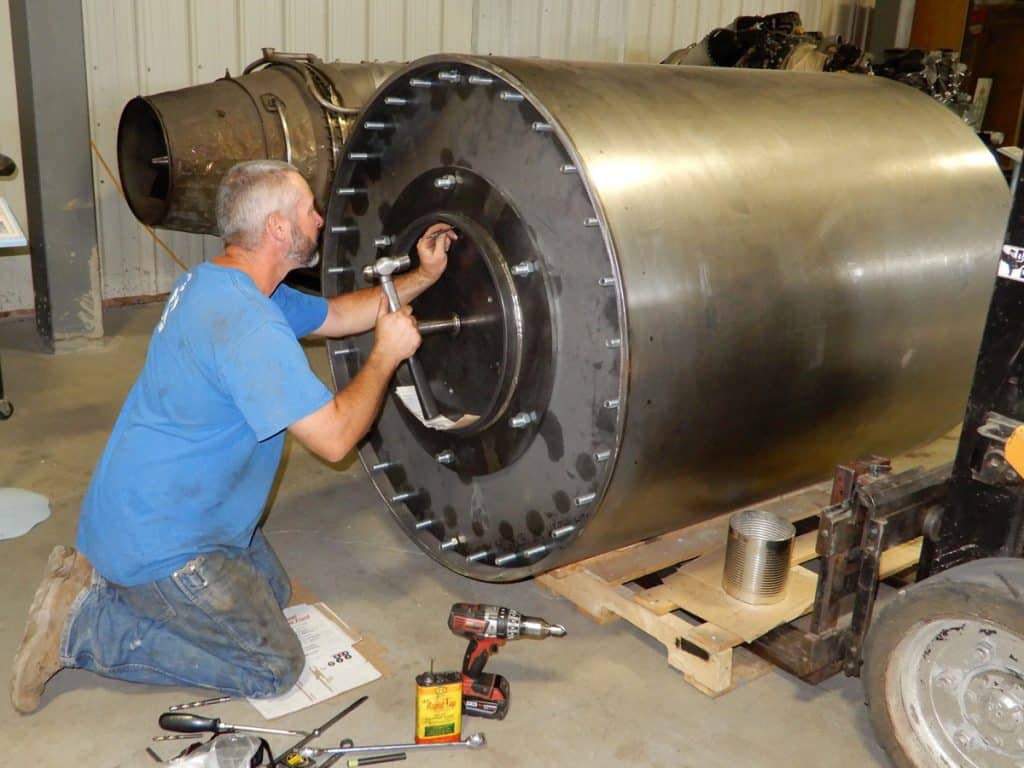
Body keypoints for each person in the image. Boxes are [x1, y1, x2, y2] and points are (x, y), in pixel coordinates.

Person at [10, 159, 456, 714]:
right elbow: (337, 438)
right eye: (308, 211)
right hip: (166, 542)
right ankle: (87, 627)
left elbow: (341, 314)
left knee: (274, 592)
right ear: (276, 228)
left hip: (166, 509)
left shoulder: (226, 284)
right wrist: (386, 354)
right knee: (273, 666)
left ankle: (125, 587)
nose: (320, 219)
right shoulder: (249, 325)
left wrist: (423, 276)